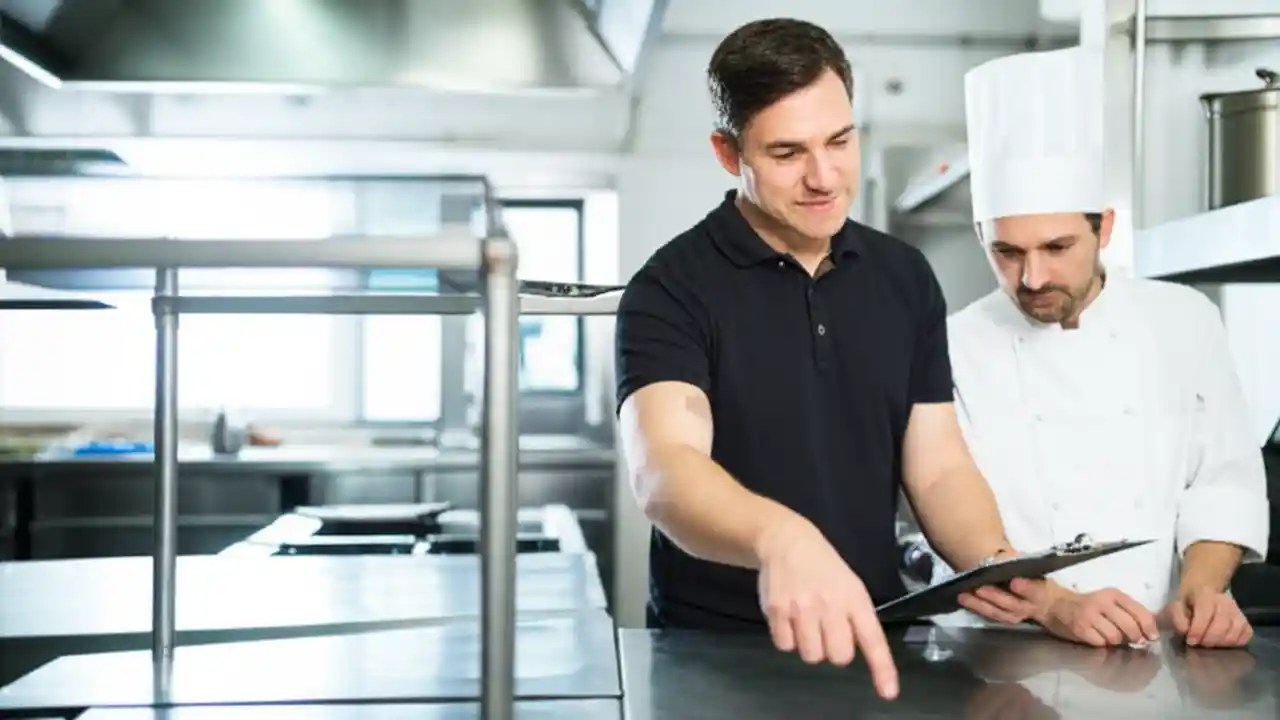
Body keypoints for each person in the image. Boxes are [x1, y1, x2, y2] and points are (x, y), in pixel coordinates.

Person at [613, 17, 1039, 701]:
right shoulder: (671, 288)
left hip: (875, 641)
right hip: (717, 658)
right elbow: (665, 471)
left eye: (840, 141)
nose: (824, 177)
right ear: (729, 153)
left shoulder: (903, 277)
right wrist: (781, 538)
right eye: (787, 153)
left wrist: (991, 562)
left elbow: (936, 466)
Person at [946, 45, 1270, 649]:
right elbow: (947, 513)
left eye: (1058, 247)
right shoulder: (953, 344)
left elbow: (1223, 482)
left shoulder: (1186, 321)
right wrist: (1051, 603)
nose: (1033, 278)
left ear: (1106, 229)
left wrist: (1205, 588)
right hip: (1000, 652)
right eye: (1007, 253)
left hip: (1153, 644)